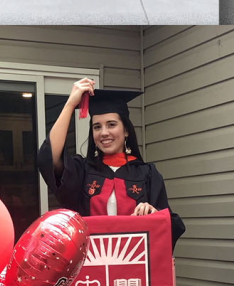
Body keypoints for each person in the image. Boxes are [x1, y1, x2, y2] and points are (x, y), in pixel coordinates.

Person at [39, 79, 185, 243]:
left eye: (111, 124)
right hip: (92, 258)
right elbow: (49, 157)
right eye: (97, 127)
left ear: (126, 130)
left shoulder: (148, 174)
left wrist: (154, 214)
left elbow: (171, 225)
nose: (104, 133)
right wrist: (70, 105)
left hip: (134, 258)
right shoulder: (83, 172)